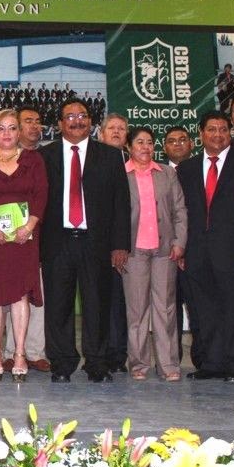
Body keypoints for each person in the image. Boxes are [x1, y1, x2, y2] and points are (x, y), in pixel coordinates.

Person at [39, 99, 130, 383]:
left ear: (91, 121)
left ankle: (97, 363)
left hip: (97, 243)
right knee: (58, 306)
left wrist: (120, 245)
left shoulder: (110, 156)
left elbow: (121, 205)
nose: (77, 121)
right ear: (59, 124)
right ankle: (62, 364)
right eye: (70, 116)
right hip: (57, 242)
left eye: (82, 116)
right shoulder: (45, 155)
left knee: (97, 304)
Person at [177, 111, 234, 383]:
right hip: (197, 252)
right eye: (212, 129)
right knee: (203, 309)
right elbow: (182, 212)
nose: (218, 135)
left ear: (230, 133)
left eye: (223, 129)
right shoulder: (186, 169)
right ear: (201, 134)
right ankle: (210, 362)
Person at [0, 109, 47, 382]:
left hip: (23, 239)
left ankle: (21, 353)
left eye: (12, 128)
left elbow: (41, 195)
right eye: (1, 128)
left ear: (19, 132)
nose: (7, 133)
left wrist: (29, 226)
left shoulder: (34, 159)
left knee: (19, 295)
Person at [120, 127, 187, 381]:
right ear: (129, 147)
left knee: (166, 309)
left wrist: (180, 242)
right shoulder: (121, 175)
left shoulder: (167, 173)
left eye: (149, 142)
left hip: (164, 251)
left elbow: (180, 211)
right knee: (136, 311)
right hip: (133, 252)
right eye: (139, 142)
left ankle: (169, 365)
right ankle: (138, 364)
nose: (145, 147)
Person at [9, 107, 50, 373]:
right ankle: (9, 352)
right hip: (3, 235)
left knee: (36, 294)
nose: (34, 126)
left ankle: (34, 351)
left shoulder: (45, 157)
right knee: (7, 295)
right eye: (27, 122)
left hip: (38, 234)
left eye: (38, 122)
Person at [99, 112, 130, 373]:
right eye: (112, 128)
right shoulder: (94, 163)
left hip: (133, 246)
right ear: (101, 134)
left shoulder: (137, 164)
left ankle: (123, 353)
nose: (117, 132)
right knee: (106, 303)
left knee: (125, 304)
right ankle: (108, 354)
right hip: (100, 246)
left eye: (121, 128)